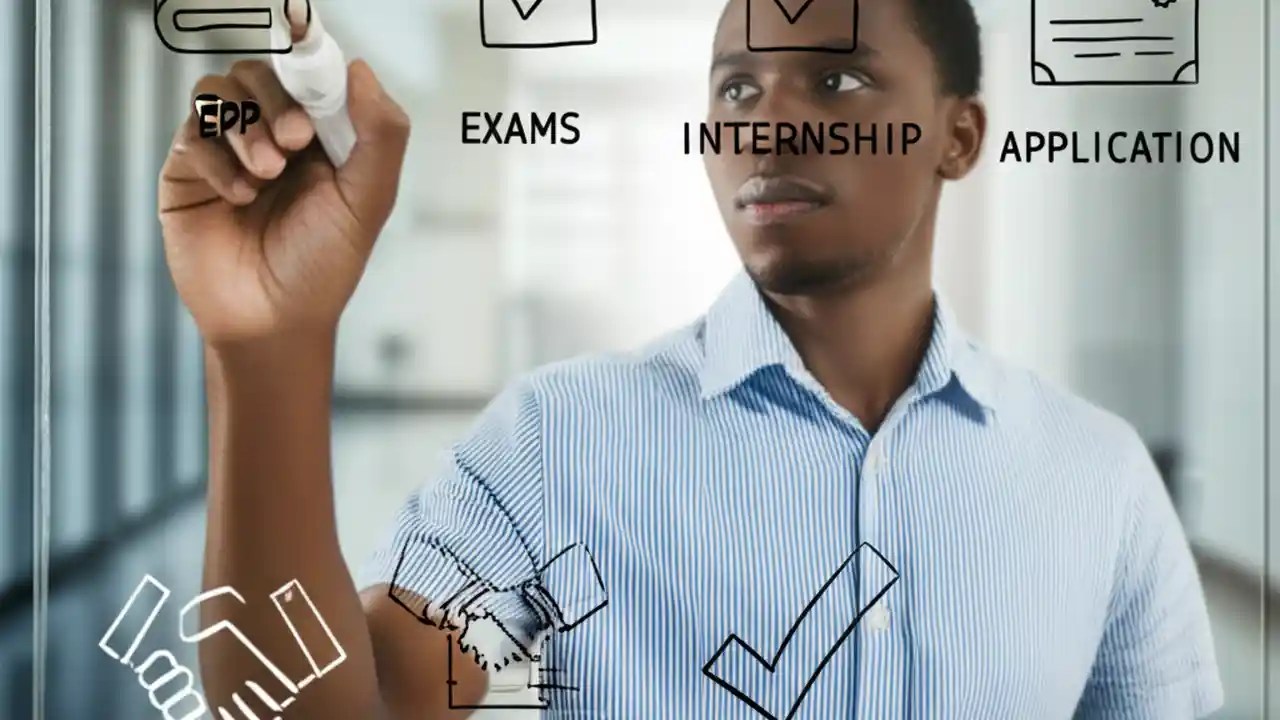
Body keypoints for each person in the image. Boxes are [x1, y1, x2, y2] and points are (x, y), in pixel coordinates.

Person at [157, 0, 1224, 716]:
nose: (767, 127)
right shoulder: (560, 442)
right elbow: (349, 708)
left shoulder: (1096, 475)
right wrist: (268, 349)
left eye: (838, 85)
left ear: (956, 134)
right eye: (737, 89)